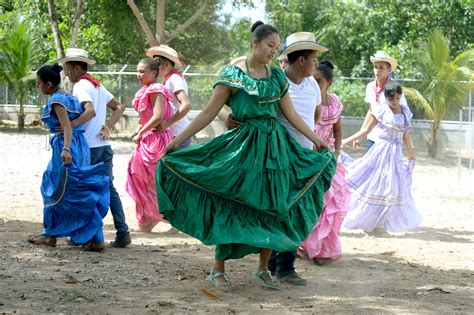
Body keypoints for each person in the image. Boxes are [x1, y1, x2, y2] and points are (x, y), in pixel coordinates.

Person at [155, 21, 336, 290]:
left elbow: (292, 114)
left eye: (276, 48)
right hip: (243, 149)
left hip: (275, 151)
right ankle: (218, 269)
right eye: (269, 46)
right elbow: (206, 113)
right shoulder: (232, 75)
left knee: (272, 207)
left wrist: (317, 140)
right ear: (254, 43)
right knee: (233, 202)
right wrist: (177, 141)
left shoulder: (276, 77)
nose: (272, 52)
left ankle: (263, 269)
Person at [28, 64, 110, 252]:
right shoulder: (69, 96)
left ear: (49, 84)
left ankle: (50, 234)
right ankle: (95, 238)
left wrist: (65, 149)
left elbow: (67, 126)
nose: (38, 87)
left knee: (53, 188)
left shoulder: (57, 100)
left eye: (39, 84)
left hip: (67, 146)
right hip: (79, 145)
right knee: (81, 190)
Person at [59, 48, 131, 248]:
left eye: (67, 68)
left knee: (85, 191)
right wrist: (108, 126)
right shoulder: (96, 85)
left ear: (76, 67)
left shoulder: (81, 86)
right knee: (109, 188)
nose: (66, 73)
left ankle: (87, 236)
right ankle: (122, 232)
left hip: (88, 147)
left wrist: (69, 125)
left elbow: (89, 111)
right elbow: (119, 106)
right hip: (104, 146)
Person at [341, 80, 421, 233]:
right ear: (386, 98)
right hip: (381, 151)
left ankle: (382, 222)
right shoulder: (381, 110)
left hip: (395, 153)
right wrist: (346, 141)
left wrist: (411, 154)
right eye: (391, 98)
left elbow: (405, 135)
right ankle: (371, 223)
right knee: (376, 183)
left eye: (397, 97)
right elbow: (365, 130)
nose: (394, 101)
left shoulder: (405, 112)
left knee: (393, 187)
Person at [299, 60, 350, 264]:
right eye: (312, 79)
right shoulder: (308, 100)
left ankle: (323, 249)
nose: (314, 83)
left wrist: (336, 152)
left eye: (318, 81)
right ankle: (305, 246)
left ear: (328, 82)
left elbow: (337, 129)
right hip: (309, 156)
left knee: (329, 203)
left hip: (326, 158)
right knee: (310, 201)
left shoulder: (335, 102)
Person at [125, 58, 173, 232]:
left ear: (154, 73)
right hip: (146, 140)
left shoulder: (156, 90)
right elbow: (145, 116)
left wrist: (140, 132)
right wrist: (140, 130)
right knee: (139, 178)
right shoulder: (143, 90)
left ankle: (169, 219)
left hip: (156, 141)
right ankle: (147, 219)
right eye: (137, 71)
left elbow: (158, 116)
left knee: (154, 181)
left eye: (142, 71)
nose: (138, 75)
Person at [358, 51, 408, 152]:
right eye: (375, 67)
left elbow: (403, 114)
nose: (377, 70)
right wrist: (361, 133)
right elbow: (371, 111)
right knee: (369, 166)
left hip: (388, 140)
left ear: (389, 69)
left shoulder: (394, 88)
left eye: (381, 67)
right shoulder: (370, 87)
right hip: (372, 136)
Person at [146, 45, 192, 149]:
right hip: (174, 134)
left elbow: (187, 105)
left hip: (178, 135)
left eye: (157, 64)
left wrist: (167, 123)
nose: (155, 69)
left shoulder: (174, 79)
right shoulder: (169, 79)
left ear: (166, 64)